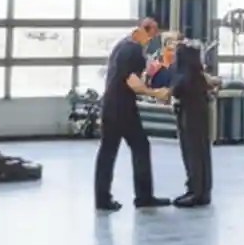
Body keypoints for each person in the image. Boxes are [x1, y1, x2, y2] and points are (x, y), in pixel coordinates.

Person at [93, 21, 172, 211]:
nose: (151, 41)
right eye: (152, 37)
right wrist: (157, 94)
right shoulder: (134, 50)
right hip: (123, 107)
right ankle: (143, 197)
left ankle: (102, 199)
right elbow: (133, 82)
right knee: (140, 147)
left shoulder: (121, 45)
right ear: (146, 32)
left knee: (108, 152)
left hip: (110, 104)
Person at [170, 42, 219, 208]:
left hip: (190, 114)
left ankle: (194, 191)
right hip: (199, 111)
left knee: (192, 152)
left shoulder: (185, 74)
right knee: (202, 152)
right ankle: (203, 191)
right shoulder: (198, 75)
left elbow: (175, 90)